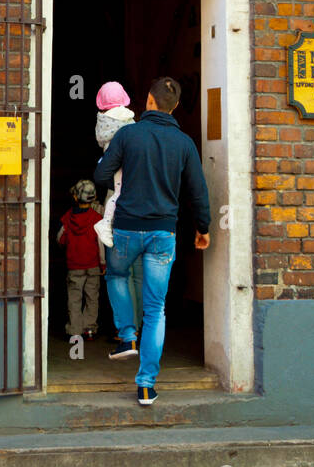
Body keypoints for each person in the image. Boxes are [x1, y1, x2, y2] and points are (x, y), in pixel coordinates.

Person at [93, 75, 210, 407]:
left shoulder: (129, 135)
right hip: (163, 233)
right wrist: (203, 227)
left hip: (127, 228)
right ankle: (145, 386)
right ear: (174, 107)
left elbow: (102, 176)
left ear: (147, 100)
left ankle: (127, 336)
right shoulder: (185, 143)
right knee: (156, 309)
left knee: (116, 275)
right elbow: (197, 192)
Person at [56, 179, 105, 341]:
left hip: (74, 266)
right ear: (95, 196)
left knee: (74, 298)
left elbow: (60, 239)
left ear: (75, 198)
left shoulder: (68, 217)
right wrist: (103, 262)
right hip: (93, 265)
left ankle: (75, 330)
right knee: (92, 297)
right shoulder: (97, 218)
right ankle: (89, 328)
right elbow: (101, 243)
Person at [93, 80, 135, 249]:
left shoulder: (102, 120)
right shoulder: (125, 118)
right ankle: (106, 223)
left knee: (116, 191)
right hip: (121, 158)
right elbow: (135, 134)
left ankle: (107, 223)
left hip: (109, 157)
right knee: (119, 192)